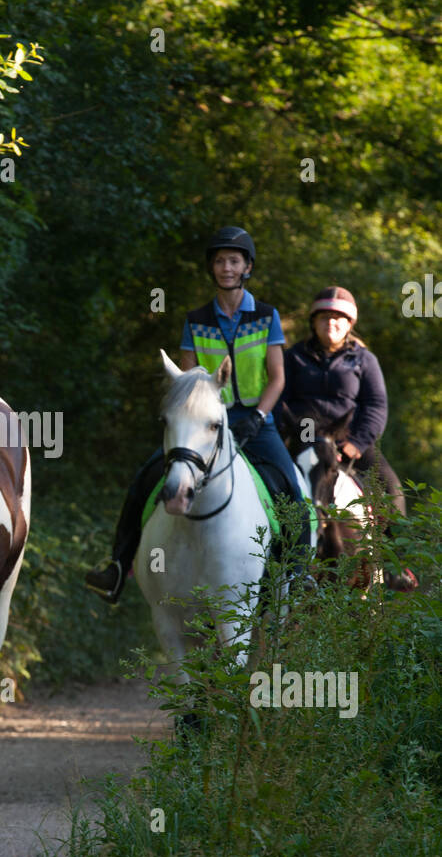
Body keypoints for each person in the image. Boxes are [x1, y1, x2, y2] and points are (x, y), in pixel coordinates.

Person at [85, 225, 311, 602]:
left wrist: (258, 416)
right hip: (202, 423)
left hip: (257, 421)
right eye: (220, 261)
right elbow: (187, 383)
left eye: (234, 261)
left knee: (290, 488)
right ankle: (117, 568)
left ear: (247, 267)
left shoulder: (267, 316)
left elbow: (277, 378)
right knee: (144, 480)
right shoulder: (196, 320)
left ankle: (299, 575)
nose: (226, 267)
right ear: (212, 268)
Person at [280, 285, 417, 591]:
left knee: (393, 489)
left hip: (350, 442)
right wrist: (296, 434)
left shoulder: (364, 360)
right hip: (305, 439)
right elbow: (282, 400)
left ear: (350, 323)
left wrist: (357, 443)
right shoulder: (293, 358)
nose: (332, 323)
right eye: (325, 317)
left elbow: (376, 405)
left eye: (339, 318)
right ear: (313, 322)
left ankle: (396, 565)